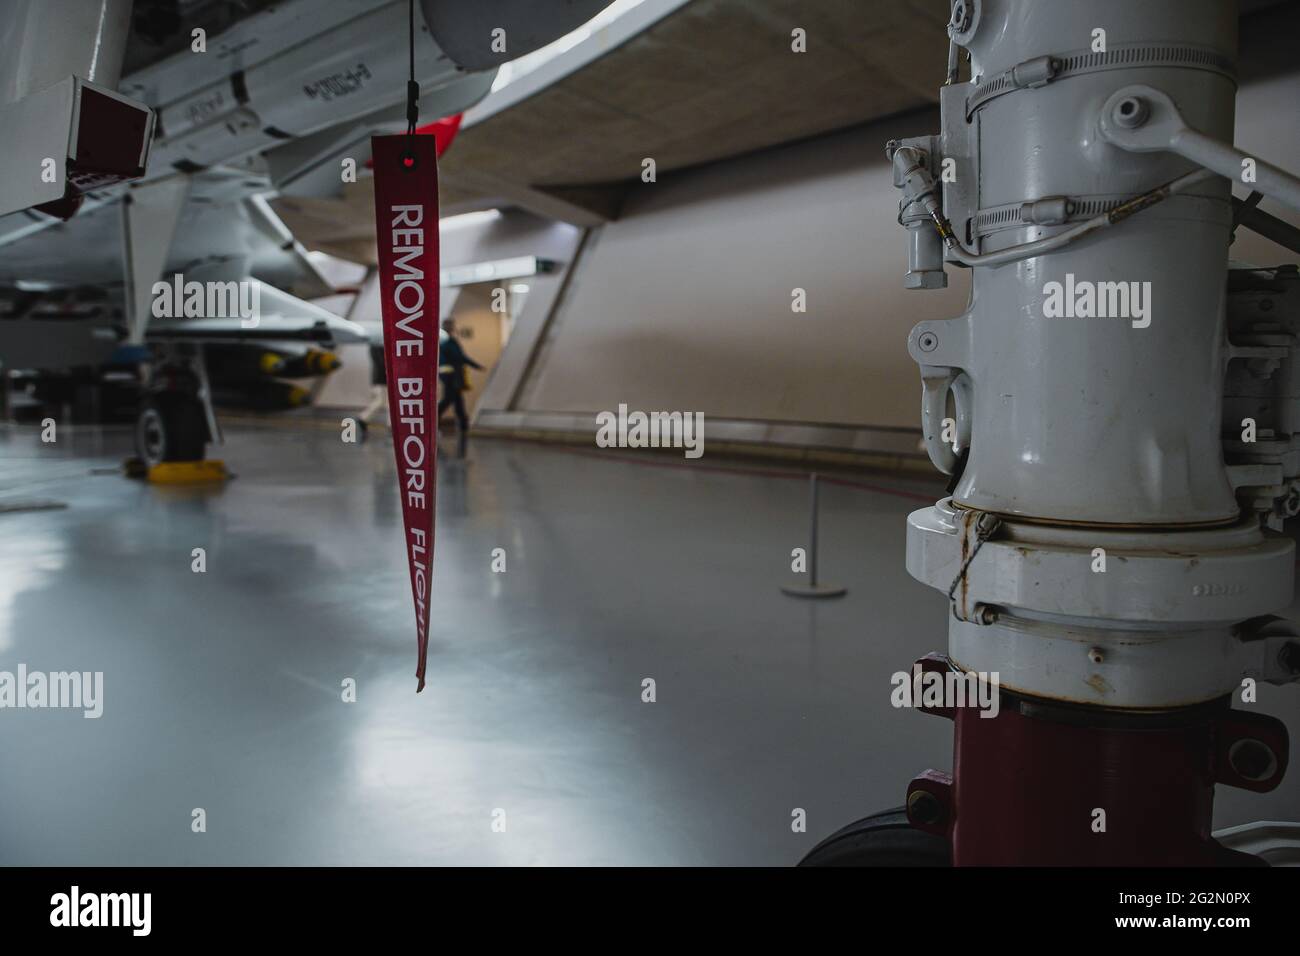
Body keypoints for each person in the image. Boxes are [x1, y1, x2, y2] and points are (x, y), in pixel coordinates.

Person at [437, 317, 484, 457]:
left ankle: (463, 426)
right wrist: (475, 365)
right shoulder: (446, 342)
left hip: (453, 375)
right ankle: (435, 421)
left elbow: (461, 357)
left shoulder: (448, 341)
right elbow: (454, 358)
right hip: (450, 376)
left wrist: (475, 365)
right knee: (449, 399)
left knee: (457, 400)